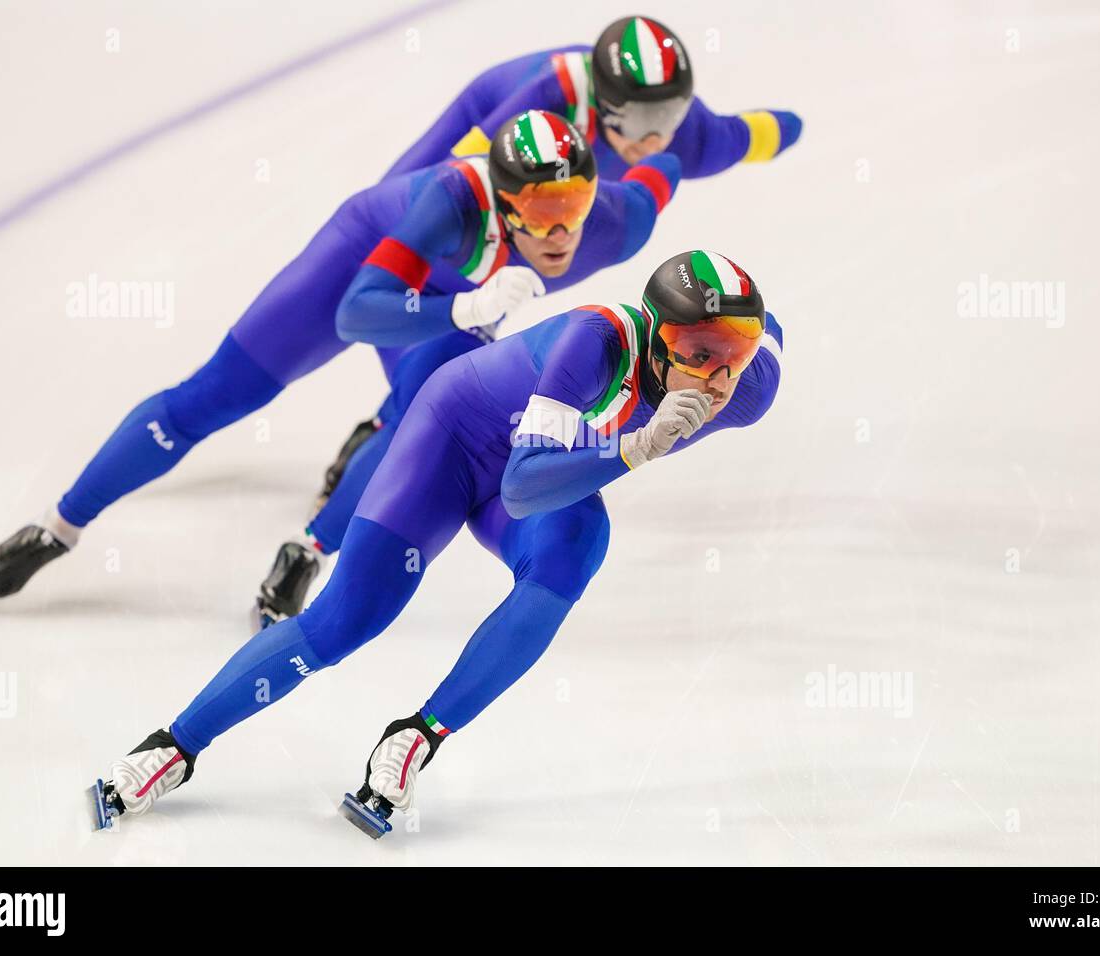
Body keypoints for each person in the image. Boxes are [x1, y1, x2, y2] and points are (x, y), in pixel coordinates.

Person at [89, 249, 783, 838]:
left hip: (542, 466)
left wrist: (666, 416)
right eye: (702, 356)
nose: (721, 377)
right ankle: (173, 747)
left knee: (576, 546)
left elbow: (767, 338)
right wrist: (635, 449)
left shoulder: (749, 390)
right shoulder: (592, 342)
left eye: (735, 356)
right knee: (343, 623)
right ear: (659, 339)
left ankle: (417, 735)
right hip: (453, 442)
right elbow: (522, 487)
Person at [0, 111, 679, 616]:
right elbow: (357, 311)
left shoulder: (613, 220)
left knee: (424, 418)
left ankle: (308, 549)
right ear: (501, 197)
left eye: (575, 206)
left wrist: (680, 124)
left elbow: (678, 158)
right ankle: (59, 526)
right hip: (361, 273)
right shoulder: (453, 204)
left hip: (447, 301)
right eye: (541, 208)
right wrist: (460, 311)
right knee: (215, 395)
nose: (561, 230)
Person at [265, 14, 803, 624]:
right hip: (446, 240)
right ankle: (315, 539)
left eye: (669, 123)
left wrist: (783, 131)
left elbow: (726, 142)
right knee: (424, 395)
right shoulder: (537, 105)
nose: (654, 139)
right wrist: (446, 279)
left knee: (428, 397)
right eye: (643, 125)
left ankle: (367, 451)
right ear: (607, 106)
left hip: (480, 295)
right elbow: (457, 180)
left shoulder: (629, 207)